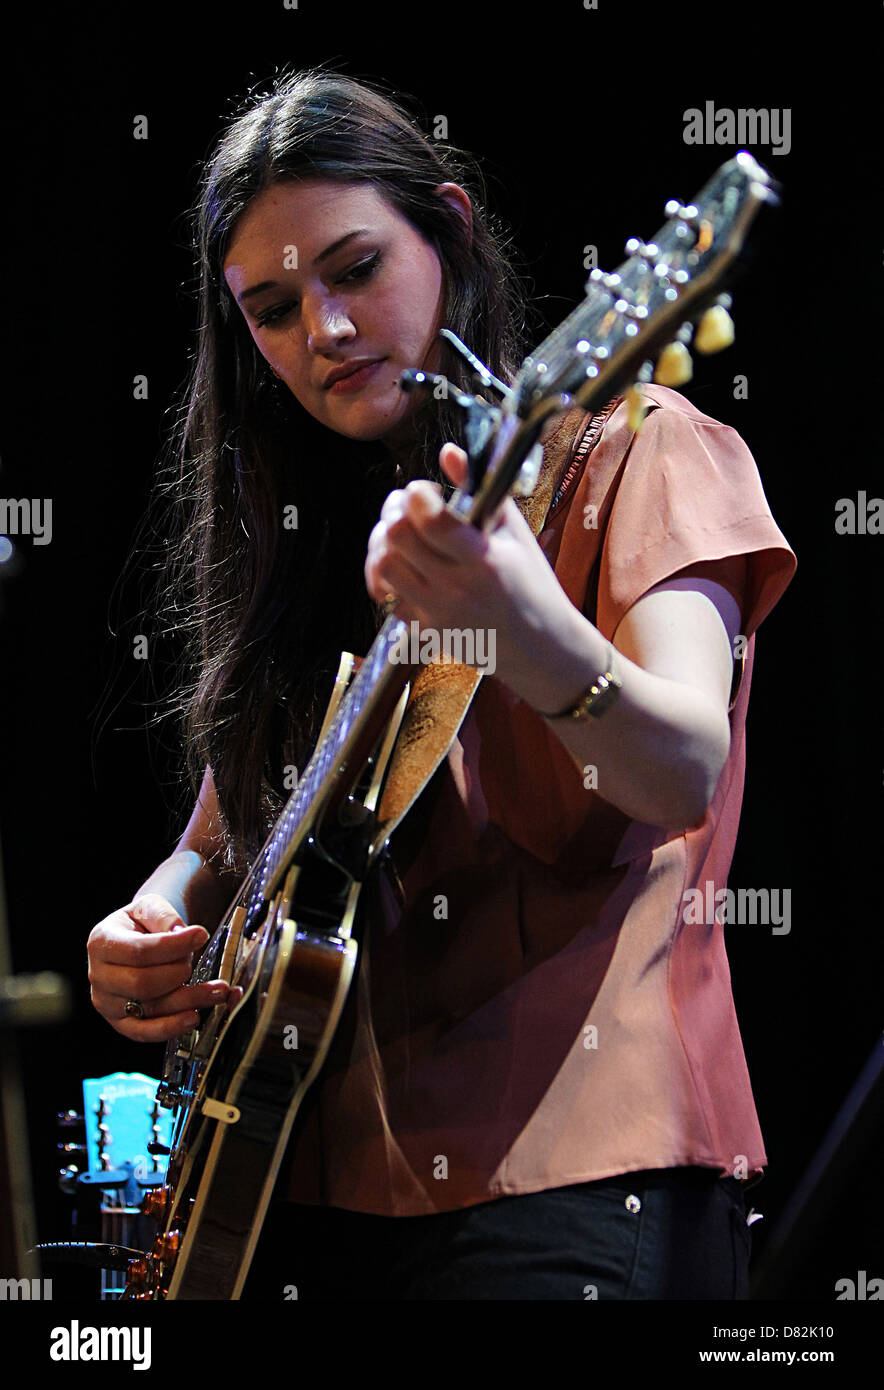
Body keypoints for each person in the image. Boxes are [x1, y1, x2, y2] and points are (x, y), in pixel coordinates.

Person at [86, 67, 797, 1300]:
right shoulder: (315, 552)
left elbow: (682, 762)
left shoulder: (634, 450)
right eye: (269, 306)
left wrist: (522, 628)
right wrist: (144, 922)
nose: (324, 330)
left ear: (450, 231)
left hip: (573, 1180)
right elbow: (223, 837)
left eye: (354, 269)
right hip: (300, 1201)